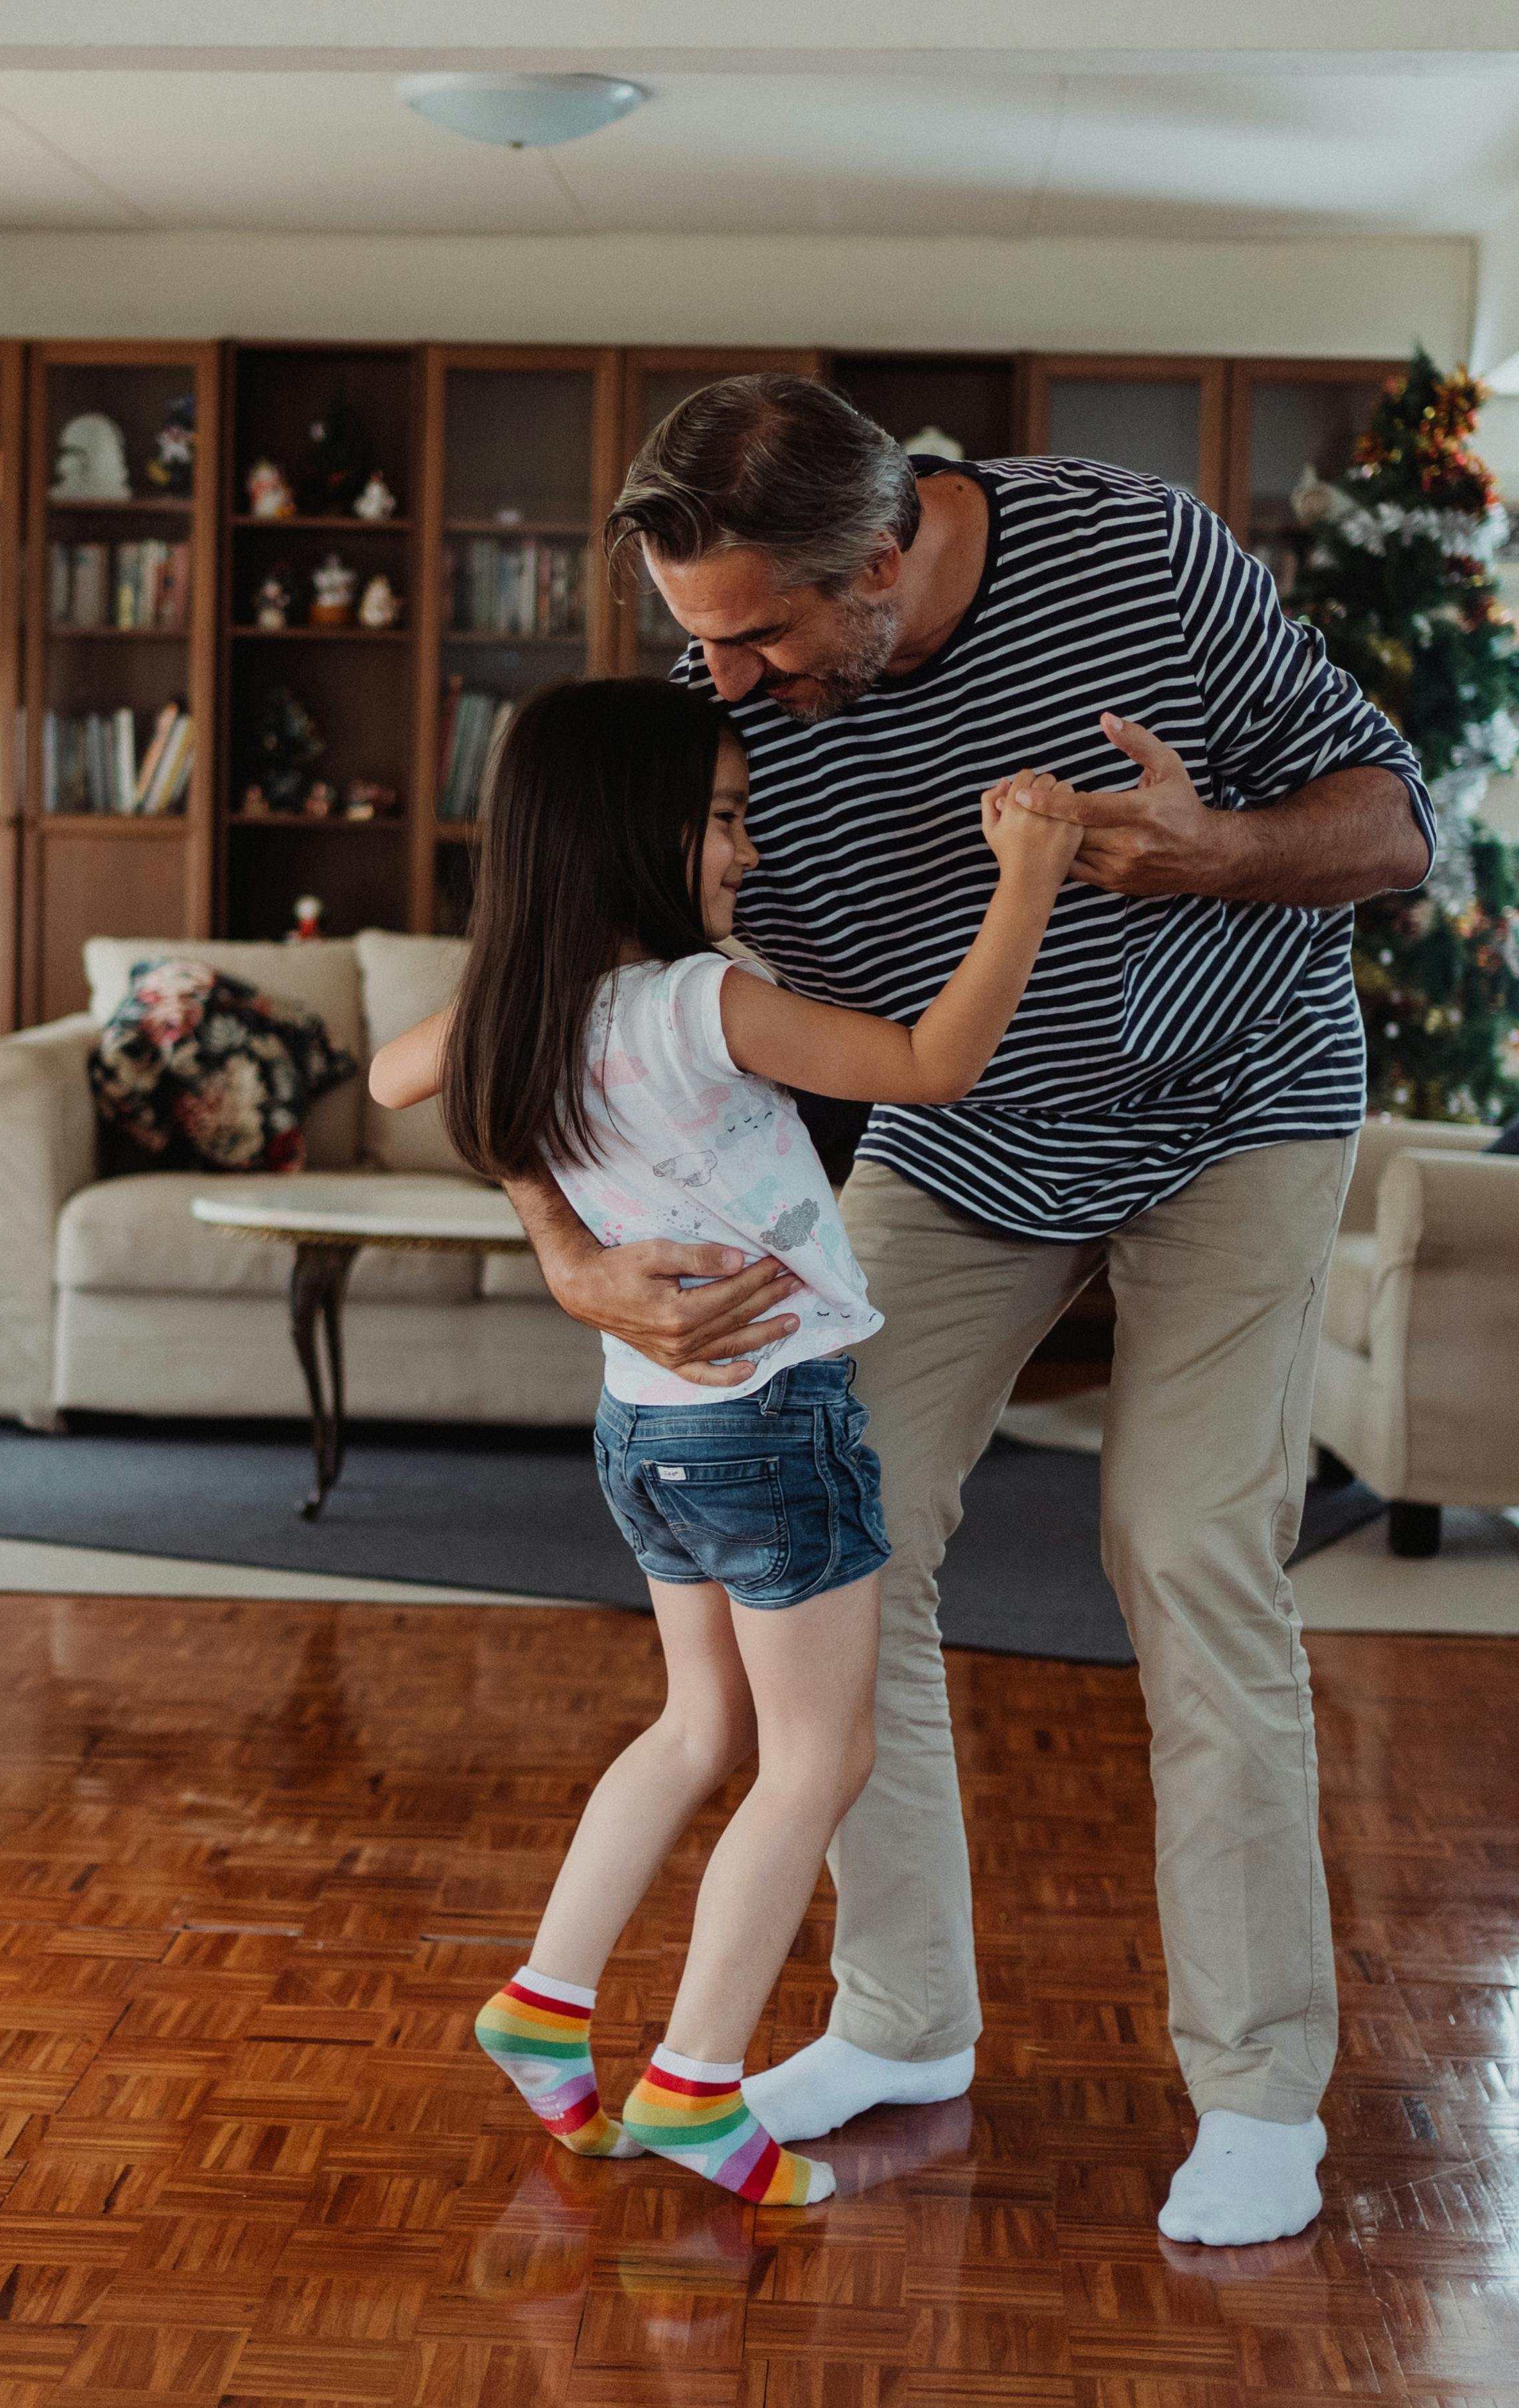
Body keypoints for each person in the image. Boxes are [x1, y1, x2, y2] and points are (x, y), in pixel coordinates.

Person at [495, 376, 1436, 2250]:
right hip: (961, 1135)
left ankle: (1256, 2091)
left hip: (1232, 1101)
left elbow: (1397, 826)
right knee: (837, 1546)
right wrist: (568, 1258)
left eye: (761, 634)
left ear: (887, 552)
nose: (730, 686)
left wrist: (1213, 856)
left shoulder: (1140, 559)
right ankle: (903, 2020)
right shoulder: (716, 685)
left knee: (1181, 1544)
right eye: (701, 643)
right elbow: (543, 995)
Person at [366, 675, 1082, 2207]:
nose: (745, 852)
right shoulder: (701, 1002)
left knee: (699, 1730)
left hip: (647, 1427)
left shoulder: (524, 1000)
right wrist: (1025, 877)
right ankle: (697, 2078)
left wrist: (514, 967)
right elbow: (933, 1065)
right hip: (771, 1423)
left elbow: (385, 1073)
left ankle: (546, 2002)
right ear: (633, 832)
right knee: (821, 1754)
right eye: (724, 819)